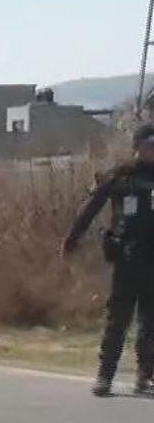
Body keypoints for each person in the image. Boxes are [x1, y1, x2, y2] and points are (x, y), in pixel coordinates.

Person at [64, 124, 154, 396]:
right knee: (118, 319)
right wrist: (72, 238)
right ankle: (105, 376)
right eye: (149, 143)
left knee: (150, 323)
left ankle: (144, 375)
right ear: (137, 146)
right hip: (127, 258)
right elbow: (91, 207)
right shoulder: (121, 176)